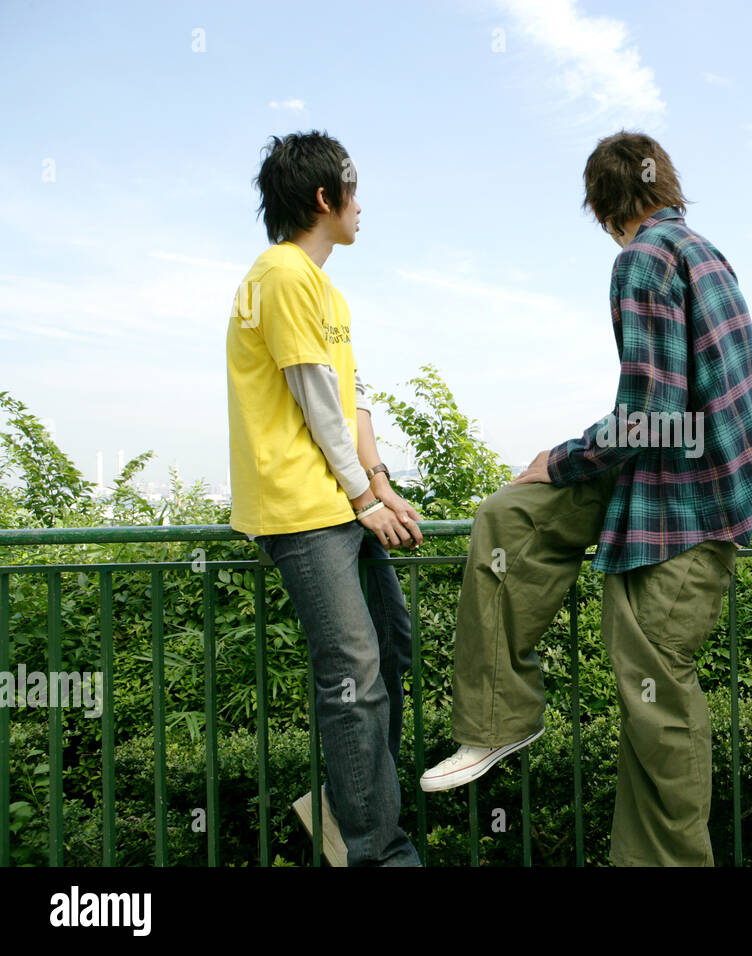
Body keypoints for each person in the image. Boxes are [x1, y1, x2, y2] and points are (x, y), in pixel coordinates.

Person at [421, 131, 752, 866]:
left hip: (682, 510)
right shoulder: (705, 251)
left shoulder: (642, 258)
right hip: (698, 486)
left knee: (659, 711)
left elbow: (654, 410)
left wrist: (565, 456)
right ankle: (499, 718)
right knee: (508, 516)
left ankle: (502, 719)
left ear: (605, 206)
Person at [226, 130, 424, 866]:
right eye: (354, 192)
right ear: (323, 198)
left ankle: (349, 816)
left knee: (390, 656)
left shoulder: (325, 289)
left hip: (342, 502)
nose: (361, 207)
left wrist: (378, 485)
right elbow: (313, 398)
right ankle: (377, 851)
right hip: (304, 511)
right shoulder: (280, 274)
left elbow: (352, 400)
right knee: (352, 678)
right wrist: (362, 498)